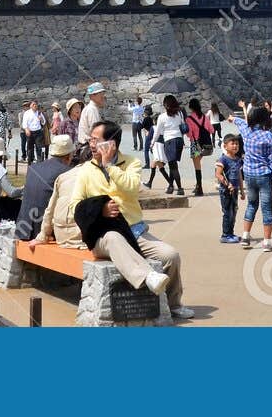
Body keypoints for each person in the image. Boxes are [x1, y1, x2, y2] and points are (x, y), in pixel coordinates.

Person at [68, 120, 194, 319]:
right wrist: (100, 209)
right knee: (114, 239)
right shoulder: (85, 170)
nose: (91, 144)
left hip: (135, 232)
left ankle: (173, 304)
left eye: (95, 140)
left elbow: (132, 187)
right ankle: (147, 276)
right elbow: (74, 205)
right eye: (90, 140)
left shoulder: (132, 163)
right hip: (103, 235)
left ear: (112, 144)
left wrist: (109, 166)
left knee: (171, 255)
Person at [15, 134, 74, 242]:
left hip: (22, 228)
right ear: (69, 156)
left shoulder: (33, 168)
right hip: (43, 231)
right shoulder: (67, 172)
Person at [239, 105, 272, 251]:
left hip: (249, 175)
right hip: (264, 175)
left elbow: (240, 122)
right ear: (265, 119)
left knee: (251, 205)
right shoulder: (269, 136)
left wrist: (232, 119)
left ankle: (245, 236)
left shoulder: (246, 132)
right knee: (266, 208)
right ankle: (267, 242)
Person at [148, 94, 186, 195]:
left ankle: (180, 188)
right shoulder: (180, 114)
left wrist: (152, 143)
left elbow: (157, 132)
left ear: (165, 105)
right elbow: (182, 127)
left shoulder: (162, 117)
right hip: (179, 140)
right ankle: (170, 187)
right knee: (173, 164)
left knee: (173, 167)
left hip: (169, 141)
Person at [214, 132, 243, 243]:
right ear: (225, 146)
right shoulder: (223, 159)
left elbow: (240, 176)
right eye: (233, 144)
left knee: (234, 211)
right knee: (227, 212)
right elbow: (218, 174)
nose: (235, 146)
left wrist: (241, 190)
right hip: (225, 191)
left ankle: (231, 233)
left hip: (235, 190)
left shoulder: (238, 159)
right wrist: (227, 184)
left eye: (237, 144)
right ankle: (225, 235)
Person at [184, 97, 212, 197]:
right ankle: (197, 186)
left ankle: (199, 188)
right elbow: (211, 130)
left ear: (191, 107)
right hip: (206, 145)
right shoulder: (205, 117)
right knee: (198, 163)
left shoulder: (189, 119)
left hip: (196, 145)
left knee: (197, 166)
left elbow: (189, 134)